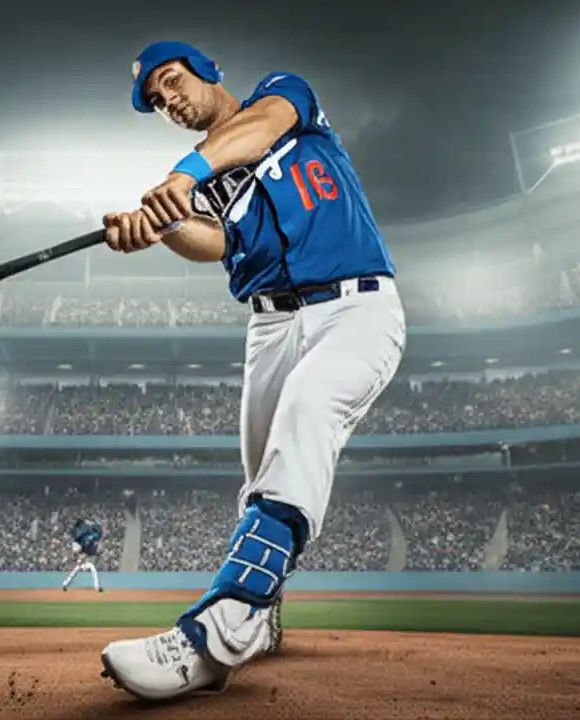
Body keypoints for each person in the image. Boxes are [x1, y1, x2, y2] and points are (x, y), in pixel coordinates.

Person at [98, 41, 407, 701]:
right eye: (156, 101)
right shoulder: (203, 179)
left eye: (173, 82)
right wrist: (161, 226)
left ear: (208, 71)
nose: (169, 101)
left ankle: (218, 633)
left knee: (306, 413)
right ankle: (265, 620)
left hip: (354, 306)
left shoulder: (283, 94)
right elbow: (215, 242)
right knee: (262, 478)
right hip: (270, 325)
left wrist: (181, 176)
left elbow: (260, 128)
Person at [62, 517, 104, 592]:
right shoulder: (83, 543)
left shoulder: (88, 545)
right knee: (74, 573)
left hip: (84, 563)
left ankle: (97, 587)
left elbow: (93, 552)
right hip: (80, 562)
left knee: (90, 569)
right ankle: (65, 585)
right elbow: (78, 551)